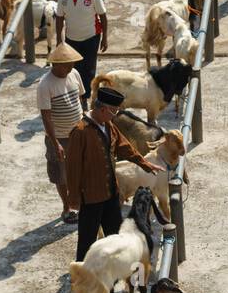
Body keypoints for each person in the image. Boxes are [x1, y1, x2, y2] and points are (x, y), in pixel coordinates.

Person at [64, 87, 162, 263]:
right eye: (114, 112)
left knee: (115, 234)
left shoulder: (108, 125)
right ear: (103, 110)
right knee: (87, 240)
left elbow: (123, 146)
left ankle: (115, 269)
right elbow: (72, 168)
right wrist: (73, 199)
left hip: (111, 193)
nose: (115, 115)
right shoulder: (80, 132)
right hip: (91, 197)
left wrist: (144, 163)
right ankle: (81, 275)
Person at [40, 40, 87, 223]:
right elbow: (46, 117)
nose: (71, 67)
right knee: (61, 174)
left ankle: (81, 203)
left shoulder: (74, 74)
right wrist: (55, 143)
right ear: (56, 64)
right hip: (59, 136)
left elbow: (81, 100)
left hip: (78, 132)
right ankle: (67, 207)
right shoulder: (45, 85)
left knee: (81, 170)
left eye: (72, 64)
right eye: (67, 64)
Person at [54, 0, 109, 95]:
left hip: (91, 37)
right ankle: (77, 93)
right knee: (73, 68)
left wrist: (105, 38)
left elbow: (103, 17)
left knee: (89, 69)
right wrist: (58, 40)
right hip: (71, 39)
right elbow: (60, 18)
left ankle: (86, 96)